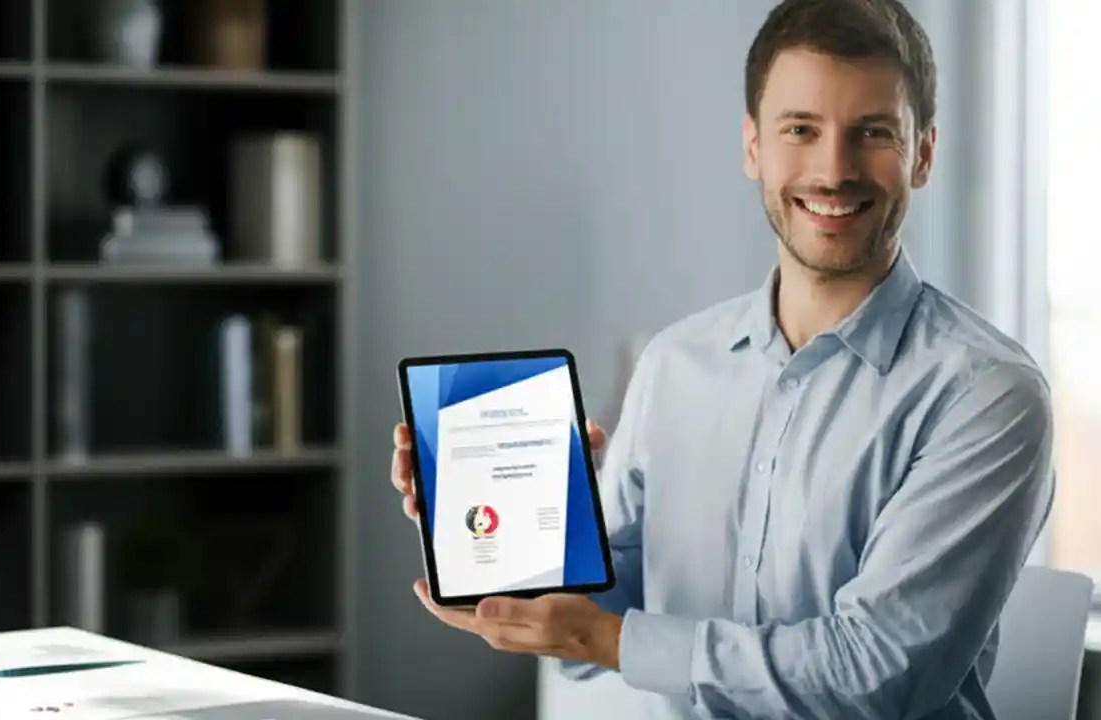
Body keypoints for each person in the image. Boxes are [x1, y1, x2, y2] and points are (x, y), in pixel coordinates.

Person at [391, 0, 1053, 717]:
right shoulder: (673, 365)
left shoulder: (987, 393)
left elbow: (876, 675)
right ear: (752, 148)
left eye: (873, 133)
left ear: (922, 153)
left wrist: (608, 639)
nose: (833, 171)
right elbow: (592, 623)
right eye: (800, 130)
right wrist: (508, 535)